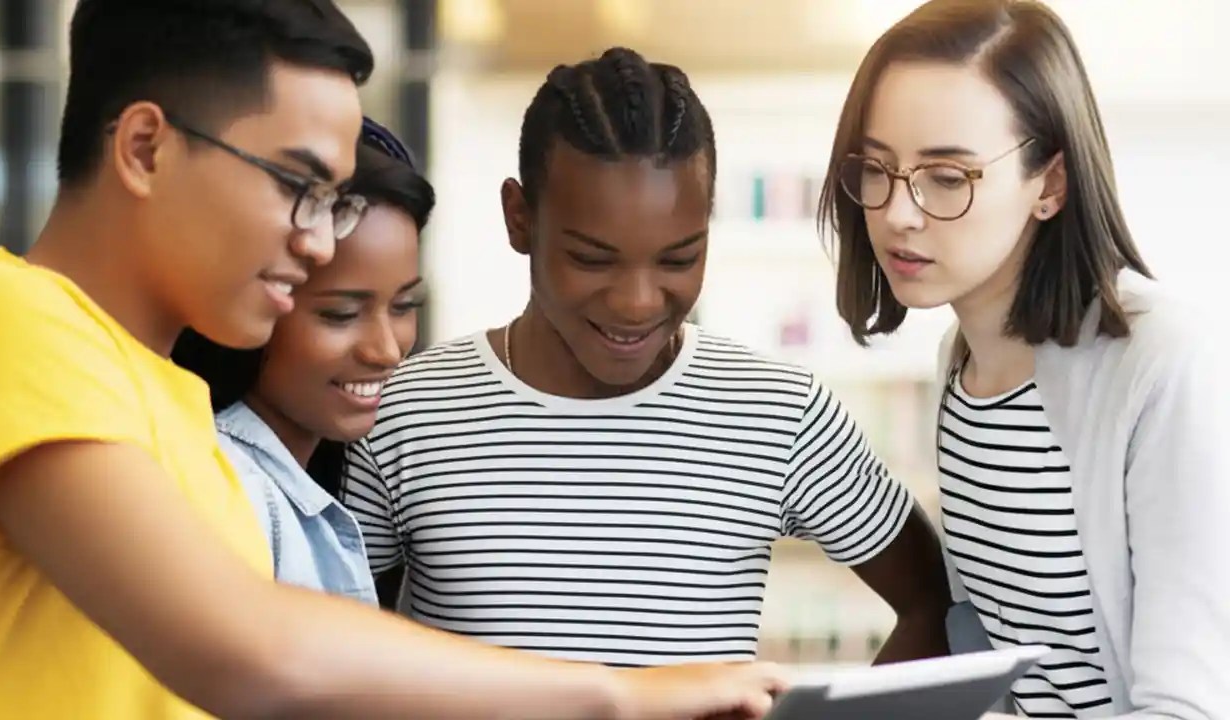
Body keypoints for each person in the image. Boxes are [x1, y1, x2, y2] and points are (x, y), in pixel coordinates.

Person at [0, 2, 786, 718]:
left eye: (333, 198)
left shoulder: (172, 407)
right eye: (296, 185)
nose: (317, 241)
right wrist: (622, 693)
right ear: (143, 148)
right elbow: (247, 649)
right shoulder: (3, 320)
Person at [344, 46, 953, 669]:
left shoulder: (780, 413)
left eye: (678, 259)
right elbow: (342, 650)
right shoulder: (402, 411)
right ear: (520, 219)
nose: (637, 304)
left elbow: (937, 606)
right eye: (593, 259)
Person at [818, 0, 1230, 717]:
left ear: (1051, 185)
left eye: (948, 177)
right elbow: (1010, 667)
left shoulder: (1164, 367)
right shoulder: (960, 364)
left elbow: (1186, 708)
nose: (897, 213)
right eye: (877, 169)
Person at [171, 118, 430, 605]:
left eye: (403, 306)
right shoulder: (228, 491)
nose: (386, 350)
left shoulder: (309, 482)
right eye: (341, 313)